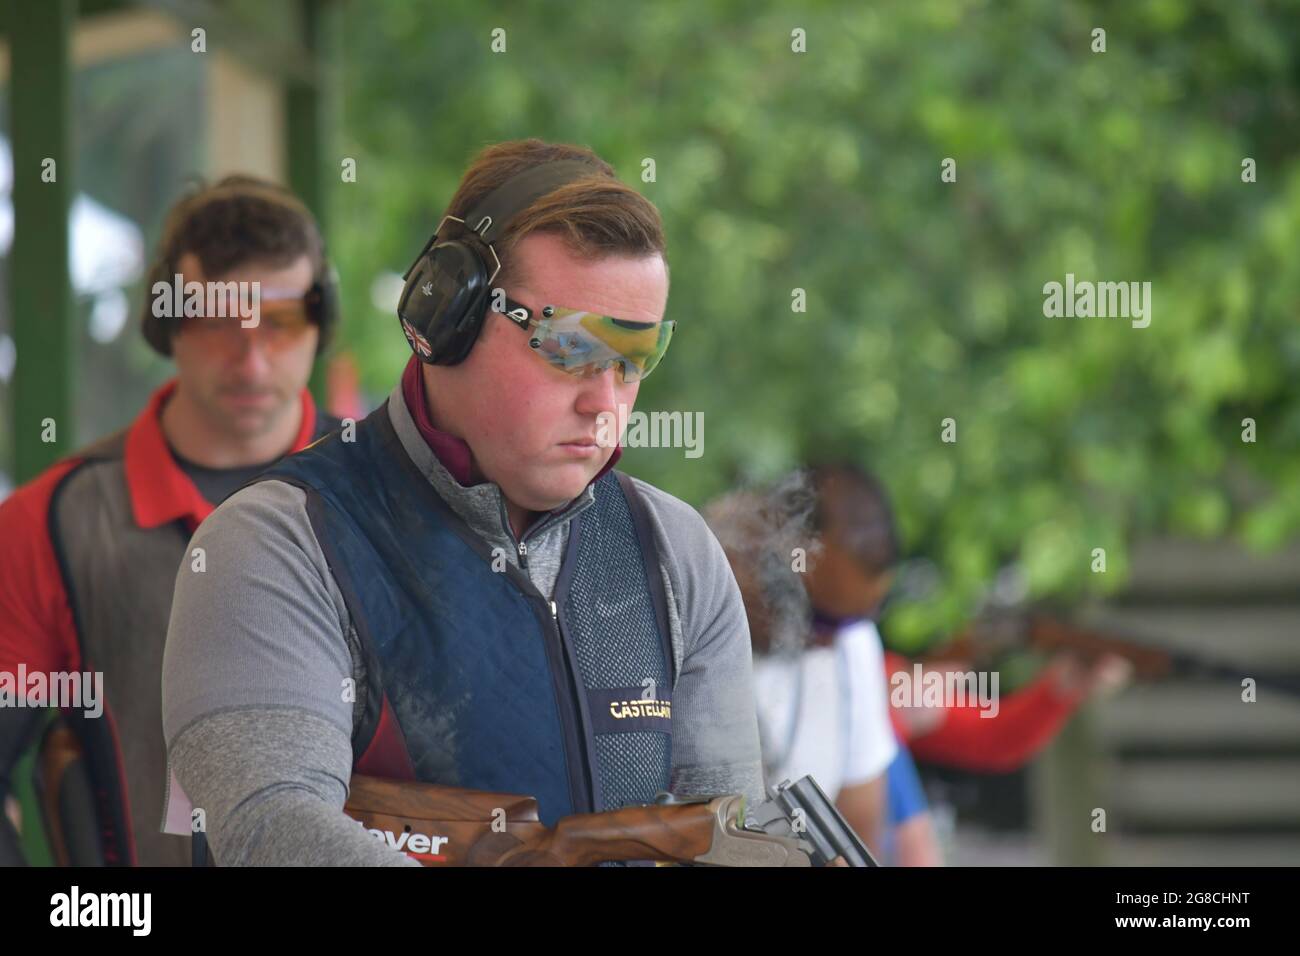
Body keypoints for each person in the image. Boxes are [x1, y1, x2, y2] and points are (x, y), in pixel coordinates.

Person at [160, 138, 766, 866]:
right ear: (447, 315)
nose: (603, 402)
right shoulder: (276, 541)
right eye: (569, 347)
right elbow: (272, 831)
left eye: (634, 359)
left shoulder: (678, 551)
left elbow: (732, 838)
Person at [0, 175, 340, 865]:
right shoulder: (50, 523)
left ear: (320, 322)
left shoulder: (391, 497)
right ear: (166, 322)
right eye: (220, 321)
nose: (251, 359)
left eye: (279, 322)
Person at [804, 461, 1132, 865]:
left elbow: (995, 738)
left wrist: (1061, 689)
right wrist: (895, 713)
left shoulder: (873, 664)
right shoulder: (869, 674)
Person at [703, 472, 896, 856]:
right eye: (822, 619)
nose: (833, 640)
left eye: (855, 620)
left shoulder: (852, 647)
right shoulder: (698, 620)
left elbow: (860, 827)